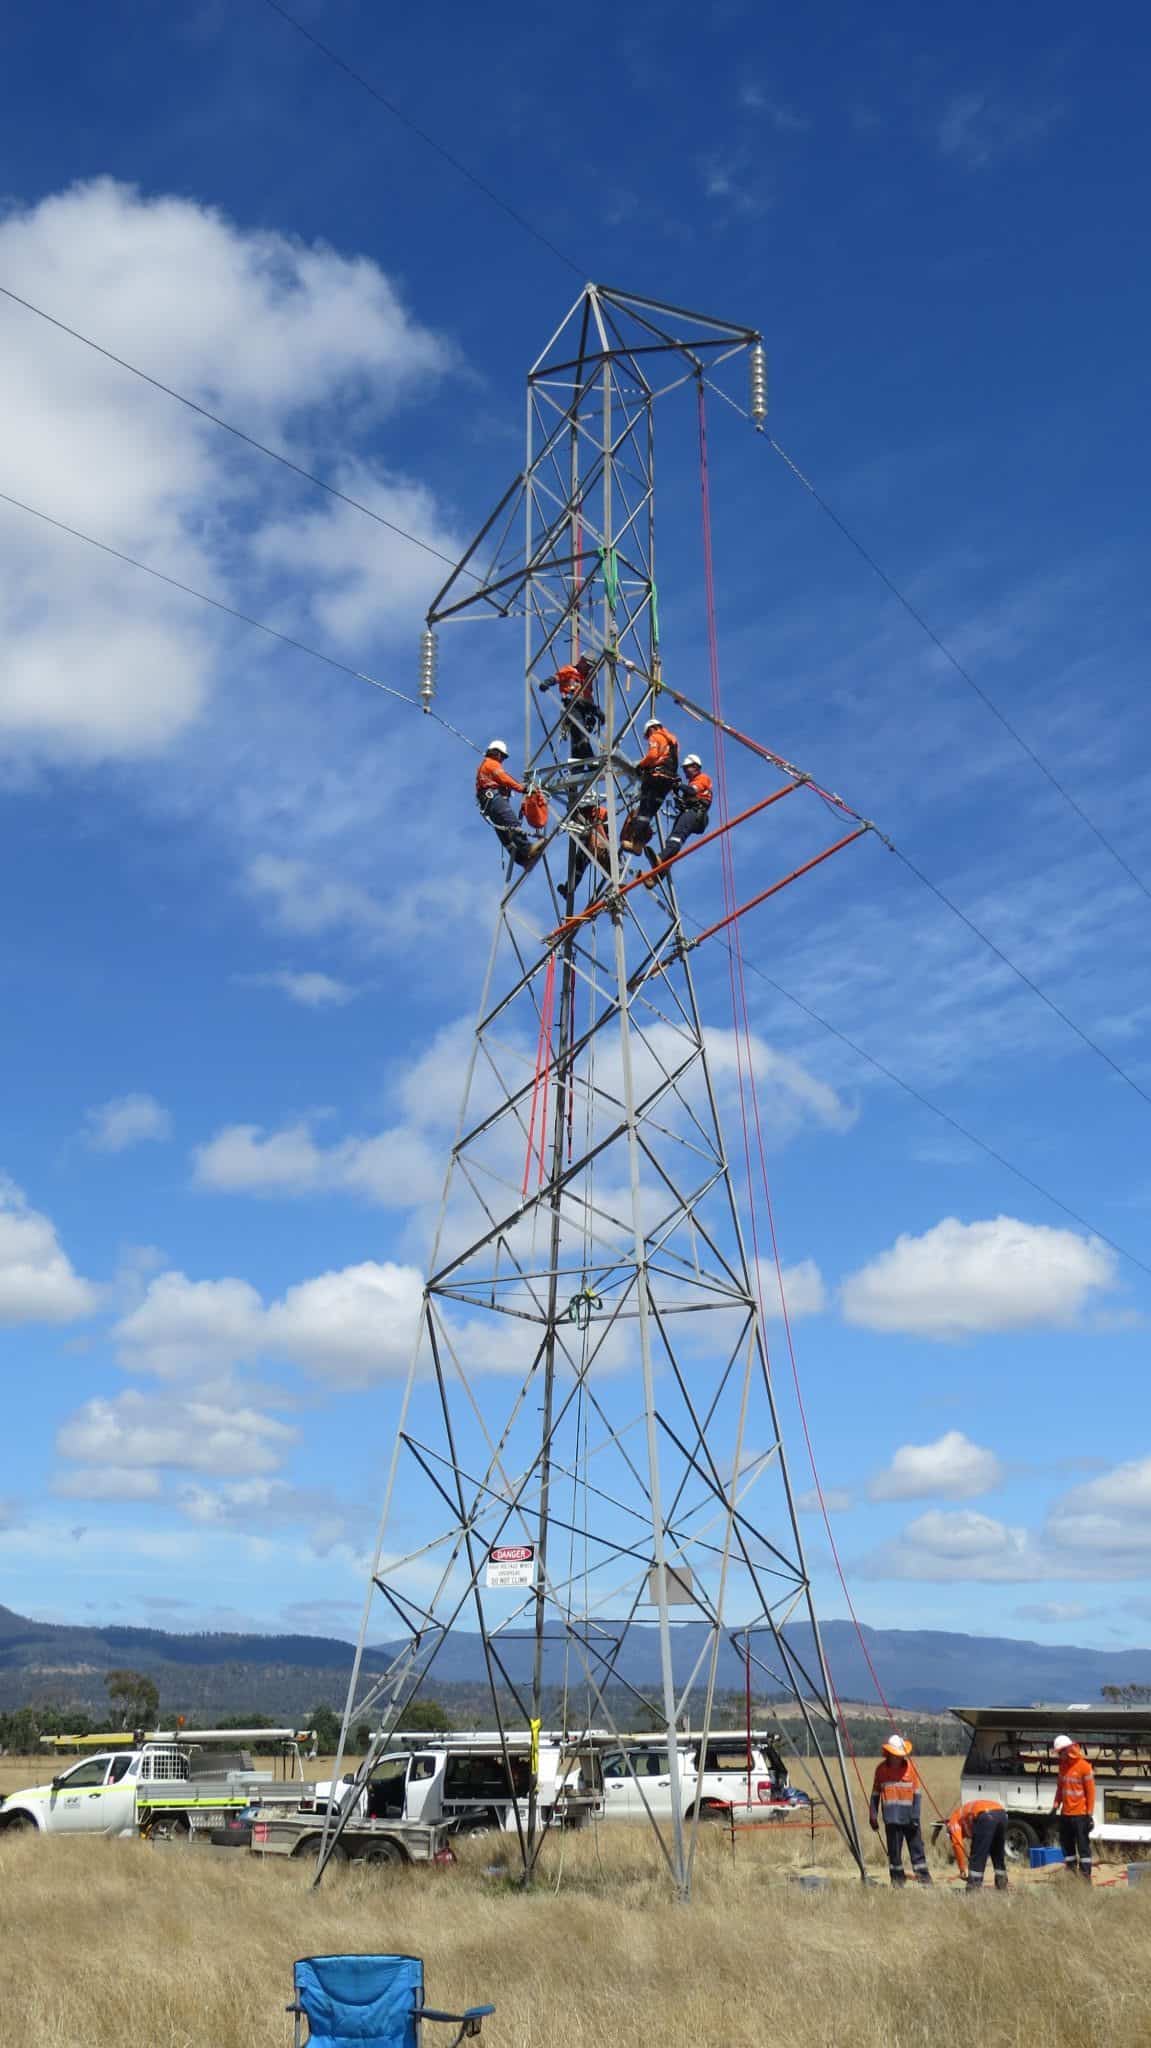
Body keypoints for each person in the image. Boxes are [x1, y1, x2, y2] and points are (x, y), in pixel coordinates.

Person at [869, 1734, 932, 1887]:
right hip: (891, 1819)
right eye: (896, 1755)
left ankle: (925, 1880)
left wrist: (915, 1816)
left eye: (901, 1755)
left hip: (910, 1818)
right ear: (889, 1753)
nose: (899, 1758)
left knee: (917, 1851)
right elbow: (875, 1794)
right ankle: (897, 1882)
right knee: (894, 1853)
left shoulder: (911, 1769)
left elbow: (917, 1794)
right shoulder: (881, 1770)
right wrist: (873, 1815)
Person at [475, 740, 542, 871]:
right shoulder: (491, 764)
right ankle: (528, 848)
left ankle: (522, 860)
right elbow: (505, 779)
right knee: (513, 824)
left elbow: (499, 783)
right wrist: (523, 788)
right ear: (496, 753)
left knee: (505, 837)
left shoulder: (485, 766)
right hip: (493, 799)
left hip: (488, 805)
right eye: (502, 756)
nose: (502, 759)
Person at [622, 716, 679, 852]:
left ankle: (635, 842)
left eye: (648, 734)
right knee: (650, 813)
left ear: (652, 728)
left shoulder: (656, 736)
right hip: (668, 781)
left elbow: (653, 755)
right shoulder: (673, 740)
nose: (648, 737)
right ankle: (638, 845)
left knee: (643, 812)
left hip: (656, 778)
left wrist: (641, 765)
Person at [538, 654, 604, 761]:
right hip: (572, 705)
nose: (589, 668)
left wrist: (595, 711)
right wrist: (547, 682)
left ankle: (576, 767)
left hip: (585, 709)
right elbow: (558, 677)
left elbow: (588, 697)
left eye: (591, 667)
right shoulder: (570, 670)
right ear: (582, 661)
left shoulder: (587, 679)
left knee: (578, 737)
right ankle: (592, 763)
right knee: (580, 733)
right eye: (588, 665)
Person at [1051, 1734, 1095, 1881]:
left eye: (1060, 1753)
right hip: (1066, 1815)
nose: (1059, 1756)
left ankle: (1085, 1877)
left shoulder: (1084, 1767)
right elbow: (1060, 1788)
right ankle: (1071, 1874)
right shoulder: (1062, 1767)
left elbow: (1091, 1793)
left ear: (1067, 1750)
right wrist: (1055, 1806)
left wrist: (1089, 1814)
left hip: (1080, 1815)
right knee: (1067, 1847)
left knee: (1083, 1847)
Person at [944, 1797, 1009, 1891]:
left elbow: (957, 1845)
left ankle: (973, 1888)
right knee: (997, 1853)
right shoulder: (962, 1816)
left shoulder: (953, 1823)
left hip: (985, 1816)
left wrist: (962, 1869)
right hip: (1002, 1814)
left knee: (977, 1856)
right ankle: (1002, 1884)